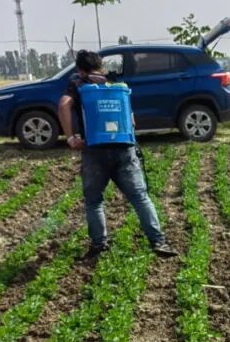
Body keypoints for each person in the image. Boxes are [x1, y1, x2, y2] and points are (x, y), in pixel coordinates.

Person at [58, 50, 177, 258]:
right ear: (101, 67)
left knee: (94, 201)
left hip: (94, 150)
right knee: (140, 197)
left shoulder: (79, 85)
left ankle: (99, 245)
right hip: (124, 148)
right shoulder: (116, 84)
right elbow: (131, 121)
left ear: (79, 69)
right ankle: (159, 241)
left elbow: (63, 104)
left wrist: (70, 137)